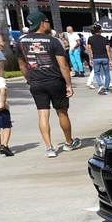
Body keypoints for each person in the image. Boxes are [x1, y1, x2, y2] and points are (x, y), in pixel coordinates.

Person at [17, 12, 81, 158]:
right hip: (55, 81)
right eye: (47, 21)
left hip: (36, 83)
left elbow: (22, 66)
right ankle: (69, 142)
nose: (49, 24)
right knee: (62, 112)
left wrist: (29, 80)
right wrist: (69, 84)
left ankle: (49, 147)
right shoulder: (53, 41)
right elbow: (63, 66)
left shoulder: (21, 42)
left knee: (43, 113)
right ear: (42, 23)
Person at [86, 25, 112, 94]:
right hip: (104, 57)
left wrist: (90, 59)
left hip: (96, 57)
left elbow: (89, 49)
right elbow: (108, 50)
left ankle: (100, 85)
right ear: (100, 31)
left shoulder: (90, 39)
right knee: (107, 73)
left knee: (96, 73)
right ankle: (106, 89)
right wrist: (110, 59)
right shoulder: (105, 39)